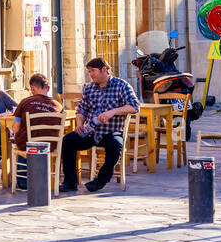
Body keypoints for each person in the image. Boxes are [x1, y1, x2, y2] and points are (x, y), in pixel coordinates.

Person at [60, 58, 140, 193]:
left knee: (115, 146)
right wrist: (79, 123)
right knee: (68, 141)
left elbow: (135, 107)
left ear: (104, 70)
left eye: (93, 71)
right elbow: (81, 110)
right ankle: (70, 182)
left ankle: (100, 181)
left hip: (111, 131)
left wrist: (113, 112)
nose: (91, 74)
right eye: (89, 71)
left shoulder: (121, 85)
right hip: (90, 132)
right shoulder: (89, 88)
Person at [11, 73, 63, 190]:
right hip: (50, 145)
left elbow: (16, 128)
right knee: (31, 139)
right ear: (48, 88)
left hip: (29, 145)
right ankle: (48, 179)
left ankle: (23, 182)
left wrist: (14, 133)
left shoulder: (24, 102)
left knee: (22, 140)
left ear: (32, 88)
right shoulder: (59, 106)